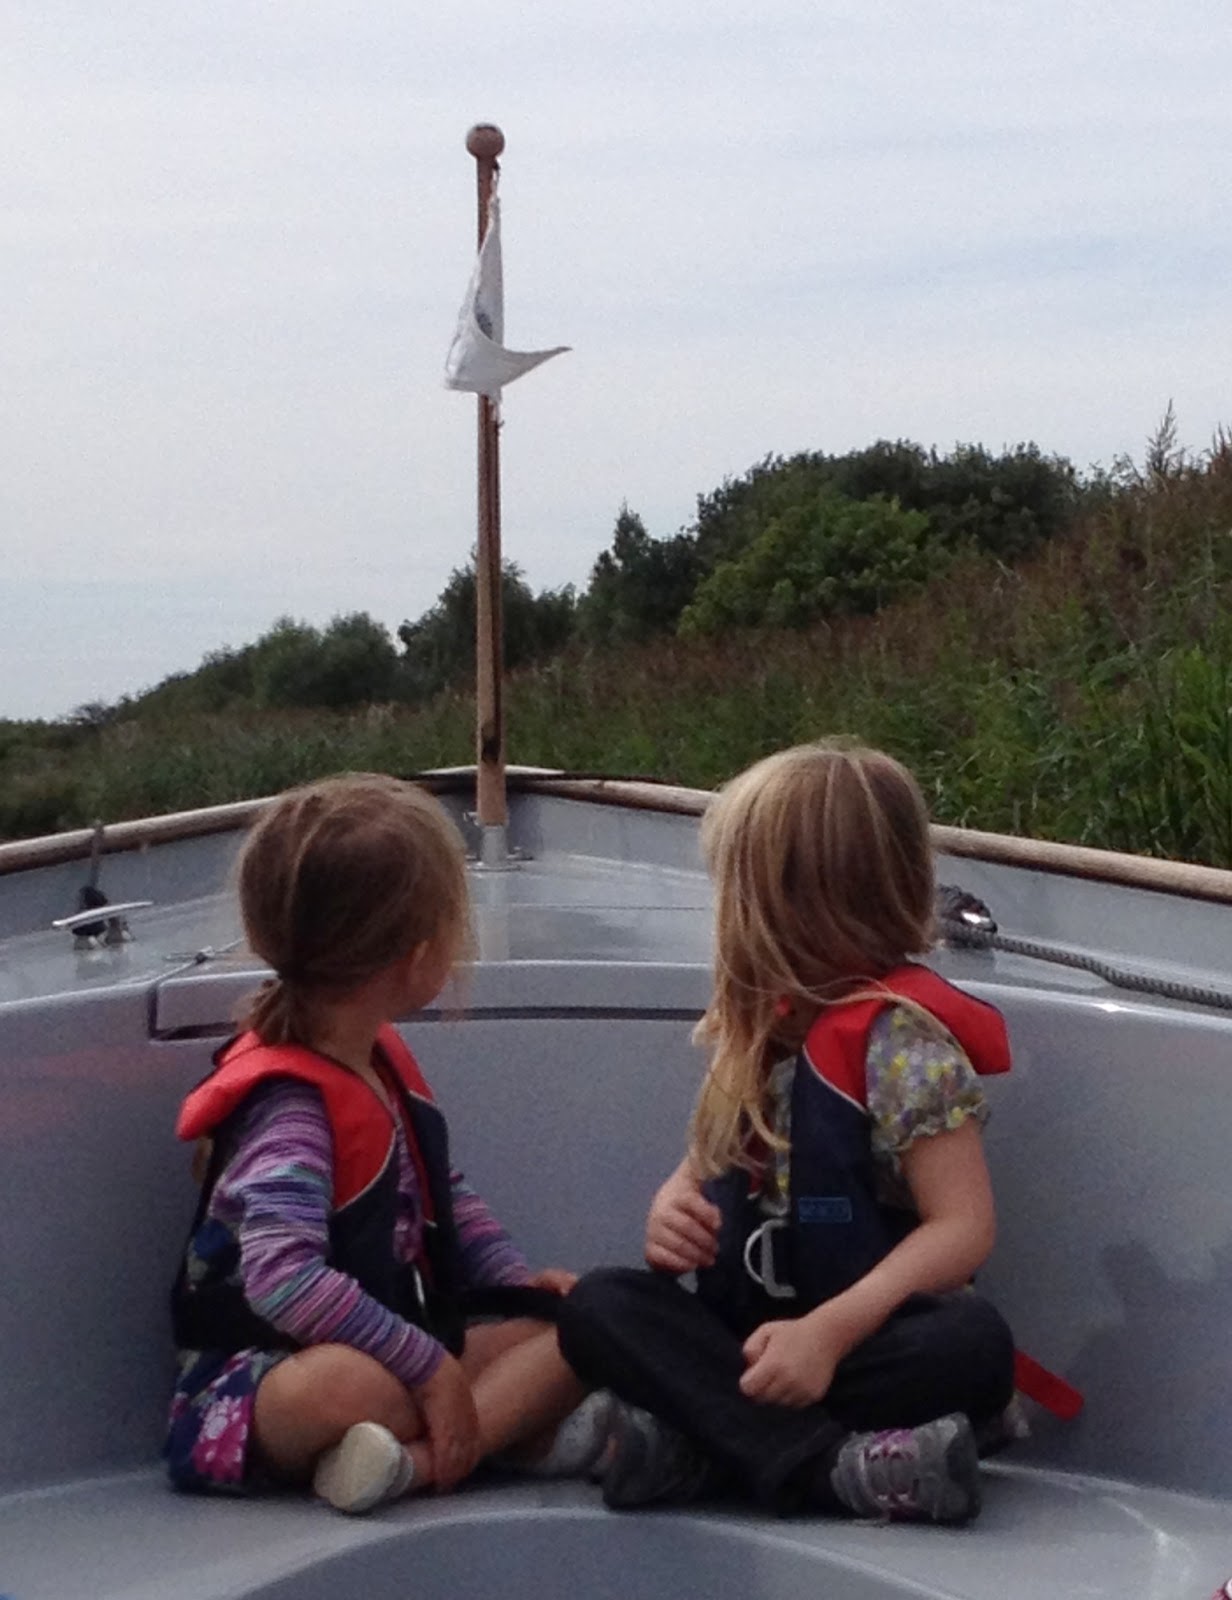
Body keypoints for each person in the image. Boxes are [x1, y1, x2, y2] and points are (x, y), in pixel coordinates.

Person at [557, 741, 1016, 1524]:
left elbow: (964, 1229)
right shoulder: (758, 1041)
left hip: (863, 1340)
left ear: (801, 906)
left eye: (734, 894)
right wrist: (673, 1209)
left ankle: (714, 1448)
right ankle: (831, 1469)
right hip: (752, 1339)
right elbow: (701, 1171)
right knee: (597, 1306)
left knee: (973, 1347)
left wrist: (830, 1333)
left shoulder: (901, 1046)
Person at [166, 773, 606, 1513]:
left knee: (580, 1327)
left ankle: (406, 1463)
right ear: (417, 954)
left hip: (395, 1346)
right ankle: (498, 1433)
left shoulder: (371, 1066)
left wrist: (517, 1288)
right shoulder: (294, 1108)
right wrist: (430, 1368)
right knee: (349, 1382)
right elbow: (282, 1279)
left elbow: (448, 1200)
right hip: (249, 1396)